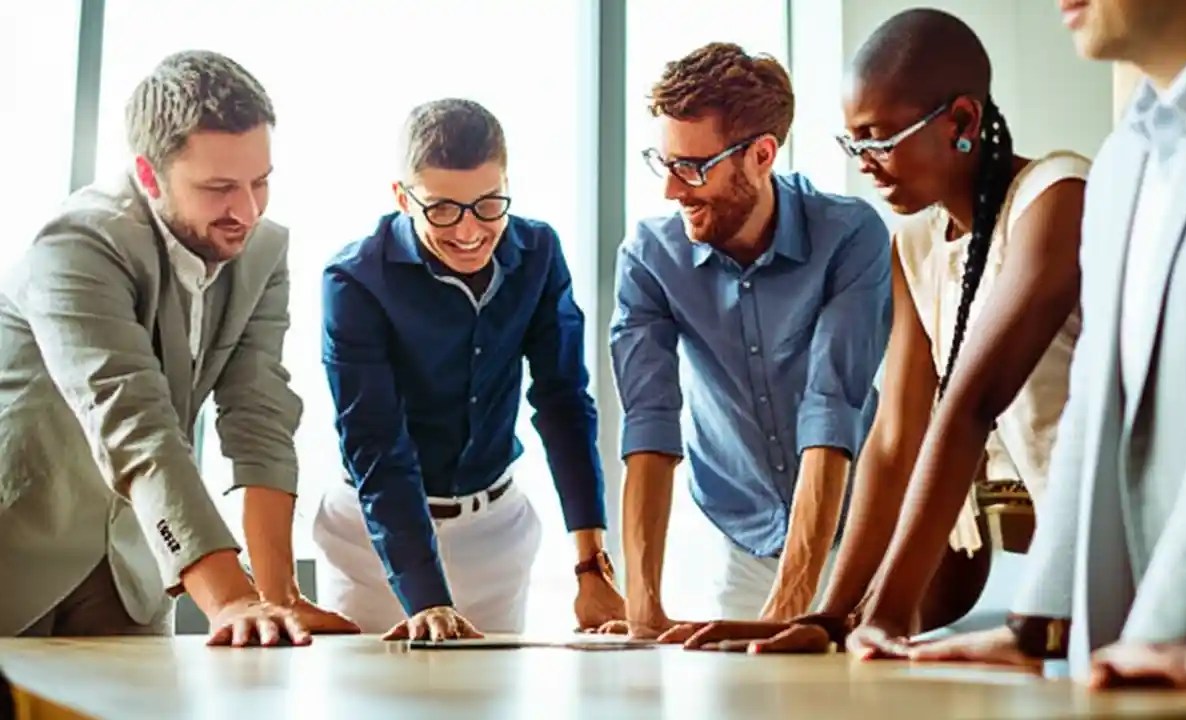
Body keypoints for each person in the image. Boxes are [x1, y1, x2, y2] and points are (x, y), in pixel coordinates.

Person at [860, 0, 1186, 692]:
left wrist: (1178, 627)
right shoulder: (1123, 161)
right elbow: (1093, 409)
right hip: (1157, 658)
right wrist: (1041, 622)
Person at [675, 9, 1090, 654]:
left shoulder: (1056, 196)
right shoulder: (916, 244)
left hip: (1106, 547)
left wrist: (886, 616)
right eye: (853, 143)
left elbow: (970, 403)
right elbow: (896, 440)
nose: (865, 162)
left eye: (879, 138)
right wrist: (831, 616)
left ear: (961, 122)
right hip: (1006, 565)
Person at [0, 50, 354, 644]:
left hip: (132, 569)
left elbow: (259, 414)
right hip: (18, 551)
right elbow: (133, 421)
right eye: (218, 188)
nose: (246, 211)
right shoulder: (76, 246)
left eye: (260, 182)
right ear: (147, 174)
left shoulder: (260, 251)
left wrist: (276, 597)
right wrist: (231, 598)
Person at [605, 42, 892, 639]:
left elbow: (830, 407)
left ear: (761, 155)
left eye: (693, 167)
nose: (672, 191)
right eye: (665, 164)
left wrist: (790, 604)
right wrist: (643, 607)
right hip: (744, 540)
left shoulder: (849, 236)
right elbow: (651, 423)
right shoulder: (650, 258)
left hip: (863, 535)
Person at [314, 98, 624, 641]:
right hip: (374, 543)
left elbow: (564, 402)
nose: (468, 232)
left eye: (488, 205)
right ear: (401, 197)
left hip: (494, 533)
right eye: (442, 209)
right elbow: (376, 446)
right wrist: (427, 600)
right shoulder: (354, 280)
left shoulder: (539, 253)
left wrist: (590, 566)